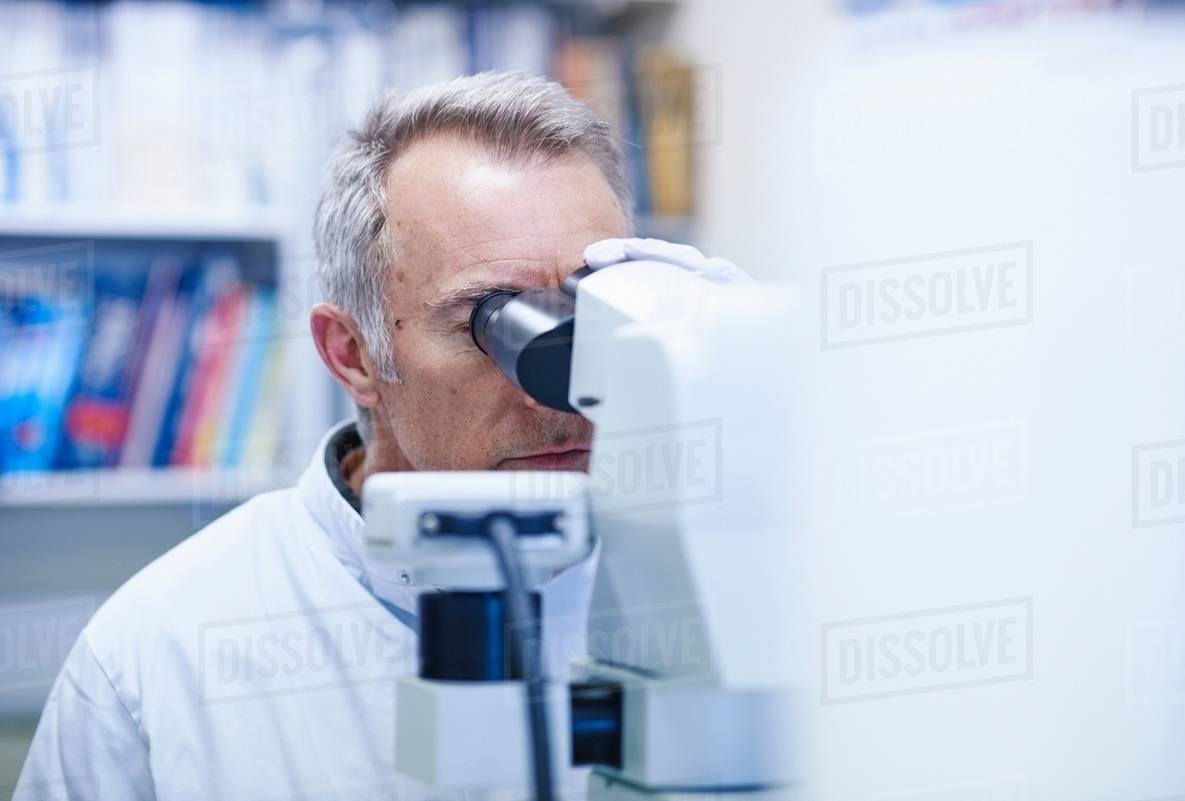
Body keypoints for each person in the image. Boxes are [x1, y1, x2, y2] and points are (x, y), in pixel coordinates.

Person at [15, 71, 741, 801]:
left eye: (589, 310)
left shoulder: (723, 581)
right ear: (353, 353)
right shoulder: (158, 653)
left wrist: (744, 367)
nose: (562, 381)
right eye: (494, 320)